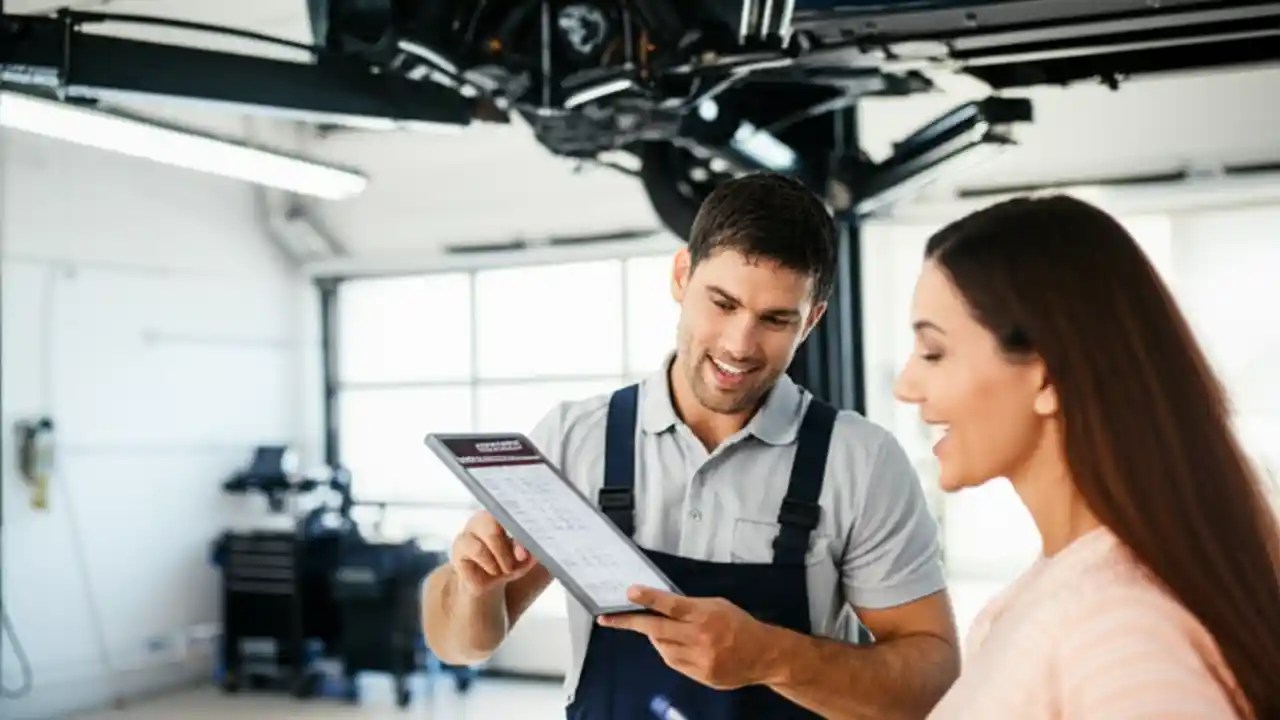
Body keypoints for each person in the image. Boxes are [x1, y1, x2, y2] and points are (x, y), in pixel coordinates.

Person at [423, 173, 961, 719]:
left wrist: (772, 657)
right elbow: (460, 644)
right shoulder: (575, 438)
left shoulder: (861, 463)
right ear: (682, 276)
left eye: (776, 320)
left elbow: (932, 685)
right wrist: (473, 586)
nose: (739, 345)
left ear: (813, 319)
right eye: (722, 303)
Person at [892, 195, 1280, 719]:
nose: (907, 386)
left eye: (934, 352)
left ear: (1047, 376)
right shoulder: (1055, 592)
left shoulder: (1116, 625)